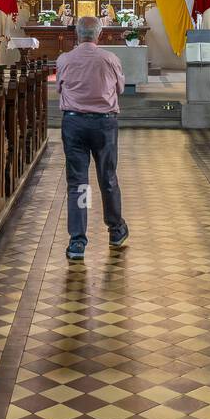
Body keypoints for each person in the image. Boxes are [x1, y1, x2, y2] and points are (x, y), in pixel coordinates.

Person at [56, 15, 129, 262]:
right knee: (107, 177)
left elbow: (60, 88)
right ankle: (115, 230)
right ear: (99, 35)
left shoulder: (64, 59)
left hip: (74, 123)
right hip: (103, 124)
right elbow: (119, 89)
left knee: (78, 183)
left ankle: (77, 242)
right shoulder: (110, 59)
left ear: (77, 35)